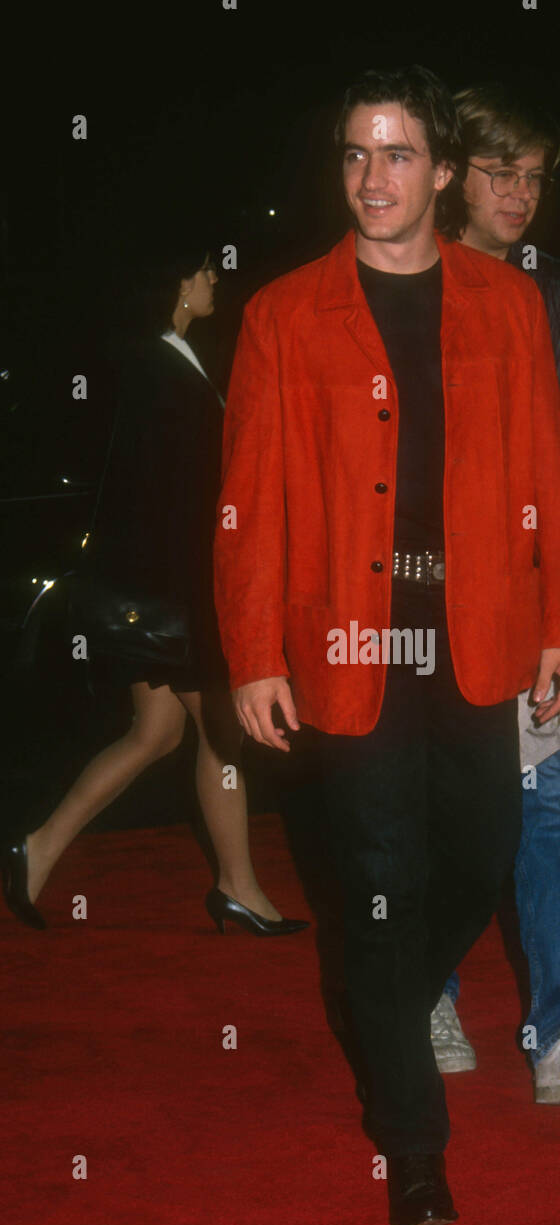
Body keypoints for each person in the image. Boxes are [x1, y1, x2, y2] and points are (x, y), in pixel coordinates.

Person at [214, 66, 560, 1225]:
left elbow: (545, 473)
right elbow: (249, 500)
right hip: (348, 646)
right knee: (378, 880)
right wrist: (253, 652)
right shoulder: (285, 312)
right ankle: (413, 1139)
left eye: (394, 156)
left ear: (440, 172)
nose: (371, 179)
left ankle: (373, 995)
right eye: (352, 155)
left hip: (477, 639)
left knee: (478, 853)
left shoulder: (506, 303)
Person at [428, 83, 560, 1106]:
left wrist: (523, 555)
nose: (520, 193)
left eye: (533, 177)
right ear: (448, 172)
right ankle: (426, 989)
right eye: (498, 171)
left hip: (524, 608)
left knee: (547, 813)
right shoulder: (400, 288)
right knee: (429, 810)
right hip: (411, 616)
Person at [1, 241, 307, 940]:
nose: (213, 281)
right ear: (176, 280)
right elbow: (176, 495)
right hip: (176, 591)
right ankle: (237, 887)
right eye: (204, 270)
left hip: (152, 588)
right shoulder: (159, 363)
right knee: (223, 733)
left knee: (157, 731)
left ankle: (38, 846)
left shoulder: (163, 356)